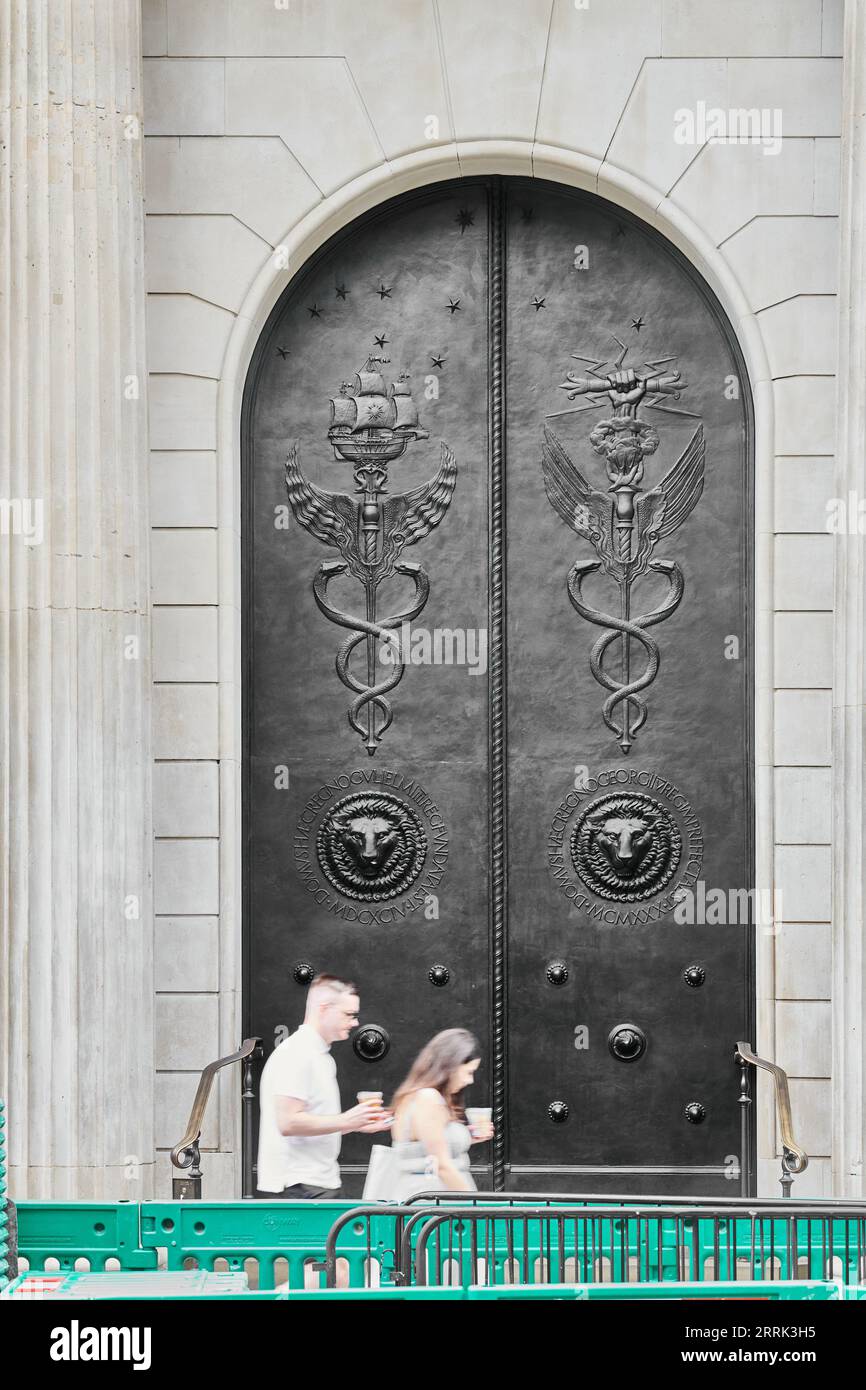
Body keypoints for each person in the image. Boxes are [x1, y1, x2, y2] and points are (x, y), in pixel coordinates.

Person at [256, 974, 391, 1198]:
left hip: (316, 1183)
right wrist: (346, 1120)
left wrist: (356, 1123)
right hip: (298, 1186)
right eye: (348, 1014)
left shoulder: (320, 1056)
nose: (355, 1023)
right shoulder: (296, 1053)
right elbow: (288, 1122)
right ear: (324, 1009)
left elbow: (314, 1121)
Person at [383, 1028, 494, 1200]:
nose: (470, 1080)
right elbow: (441, 1165)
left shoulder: (420, 1097)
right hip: (433, 1204)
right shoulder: (428, 1099)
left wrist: (467, 1136)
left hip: (435, 1201)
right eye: (469, 1072)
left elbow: (425, 1145)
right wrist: (474, 1207)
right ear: (451, 1066)